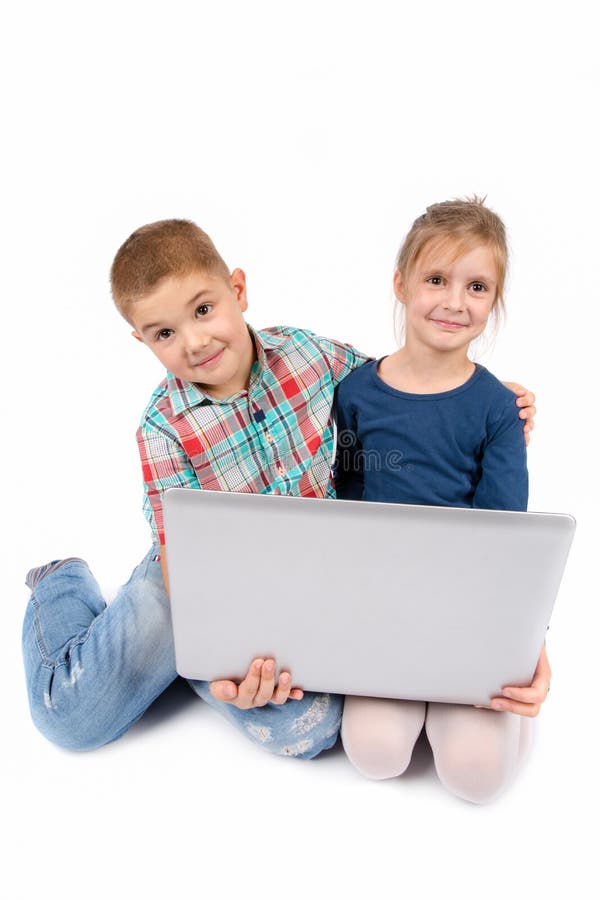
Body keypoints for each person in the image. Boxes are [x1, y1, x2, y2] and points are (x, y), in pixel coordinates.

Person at [22, 217, 537, 759]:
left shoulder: (309, 356)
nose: (195, 342)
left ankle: (184, 670)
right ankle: (63, 583)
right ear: (141, 339)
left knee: (313, 728)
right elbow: (188, 574)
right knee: (73, 720)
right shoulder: (162, 427)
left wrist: (485, 402)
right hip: (190, 577)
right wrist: (221, 657)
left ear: (238, 290)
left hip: (296, 582)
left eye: (204, 310)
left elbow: (404, 386)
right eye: (164, 333)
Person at [334, 197, 550, 803]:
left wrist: (522, 639)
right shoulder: (355, 393)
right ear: (401, 284)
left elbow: (507, 533)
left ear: (494, 302)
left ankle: (494, 724)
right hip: (384, 605)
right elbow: (342, 503)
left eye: (477, 286)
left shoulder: (497, 408)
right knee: (375, 756)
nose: (455, 302)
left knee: (475, 778)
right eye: (436, 279)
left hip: (468, 607)